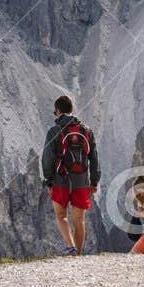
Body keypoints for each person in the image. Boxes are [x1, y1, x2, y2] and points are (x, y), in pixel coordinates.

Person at [41, 94, 99, 255]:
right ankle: (78, 254)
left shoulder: (54, 131)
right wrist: (94, 181)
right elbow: (94, 158)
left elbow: (47, 159)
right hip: (81, 181)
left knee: (61, 216)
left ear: (58, 111)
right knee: (79, 220)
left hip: (61, 179)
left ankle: (70, 246)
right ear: (72, 110)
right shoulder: (87, 131)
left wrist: (49, 181)